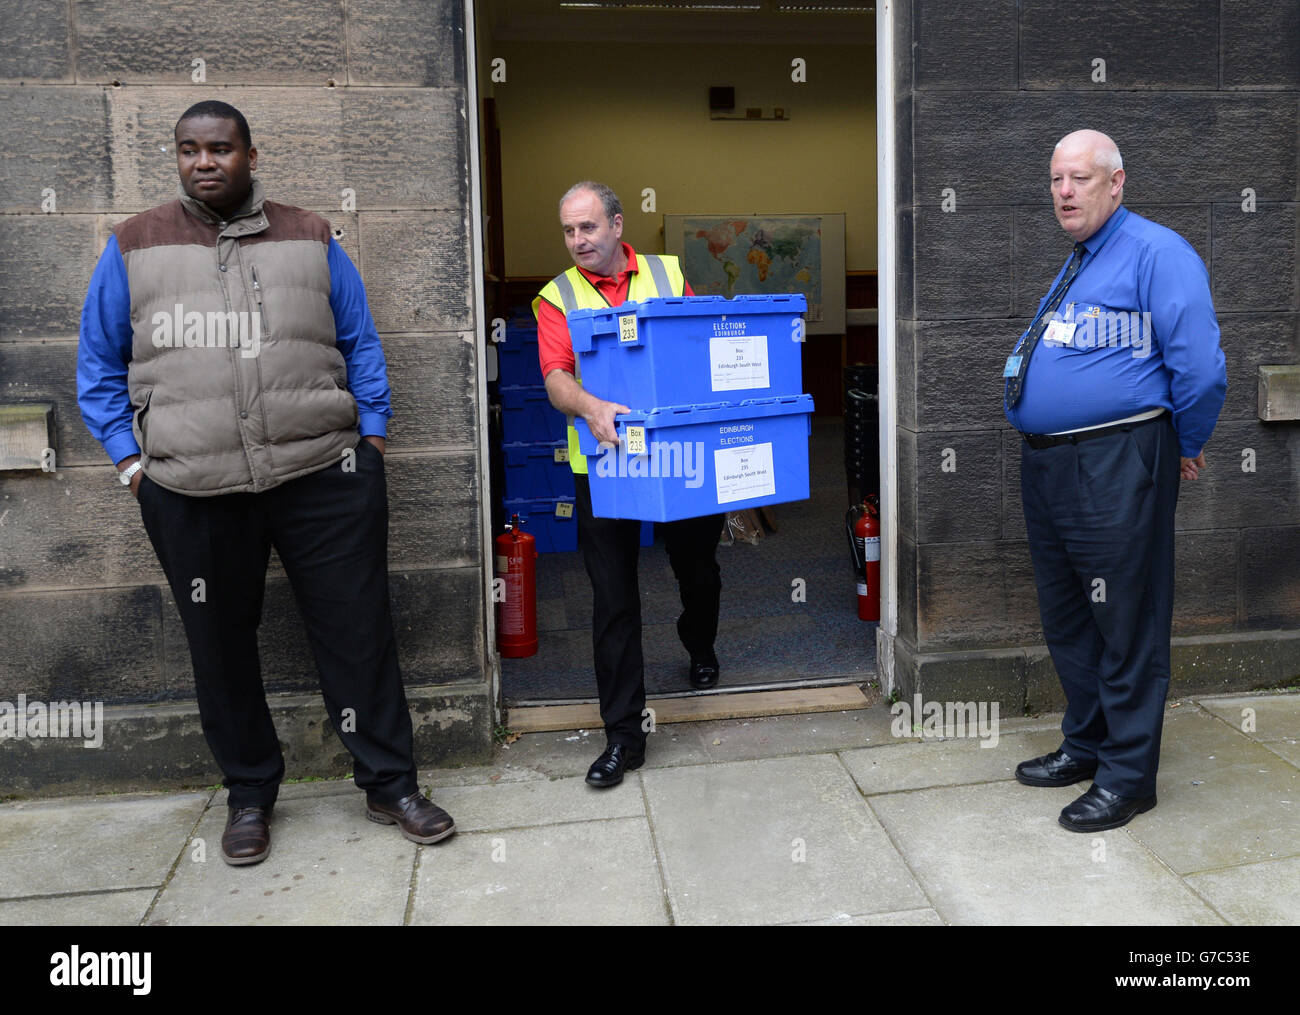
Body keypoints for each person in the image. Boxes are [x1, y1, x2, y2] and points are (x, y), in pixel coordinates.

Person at [76, 100, 455, 864]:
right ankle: (249, 792)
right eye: (189, 150)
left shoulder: (310, 236)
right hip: (190, 489)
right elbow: (97, 368)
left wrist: (370, 441)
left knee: (359, 634)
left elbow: (359, 338)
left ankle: (389, 781)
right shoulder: (134, 244)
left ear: (252, 154)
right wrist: (133, 468)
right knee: (218, 644)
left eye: (219, 148)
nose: (203, 162)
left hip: (324, 476)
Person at [1004, 129, 1226, 832]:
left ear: (1116, 182)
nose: (1064, 192)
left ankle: (1129, 778)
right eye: (1056, 180)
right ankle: (1088, 744)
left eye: (1079, 178)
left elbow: (1201, 369)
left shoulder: (1158, 252)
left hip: (1118, 460)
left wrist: (1184, 443)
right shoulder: (1082, 259)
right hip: (1051, 464)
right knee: (1070, 615)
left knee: (1127, 620)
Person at [533, 181, 725, 788]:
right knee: (613, 599)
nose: (577, 241)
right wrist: (590, 407)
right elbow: (556, 378)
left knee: (696, 568)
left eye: (587, 227)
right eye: (568, 230)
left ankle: (699, 643)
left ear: (617, 225)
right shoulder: (557, 296)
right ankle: (623, 736)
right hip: (605, 464)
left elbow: (699, 342)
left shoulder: (668, 275)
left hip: (678, 453)